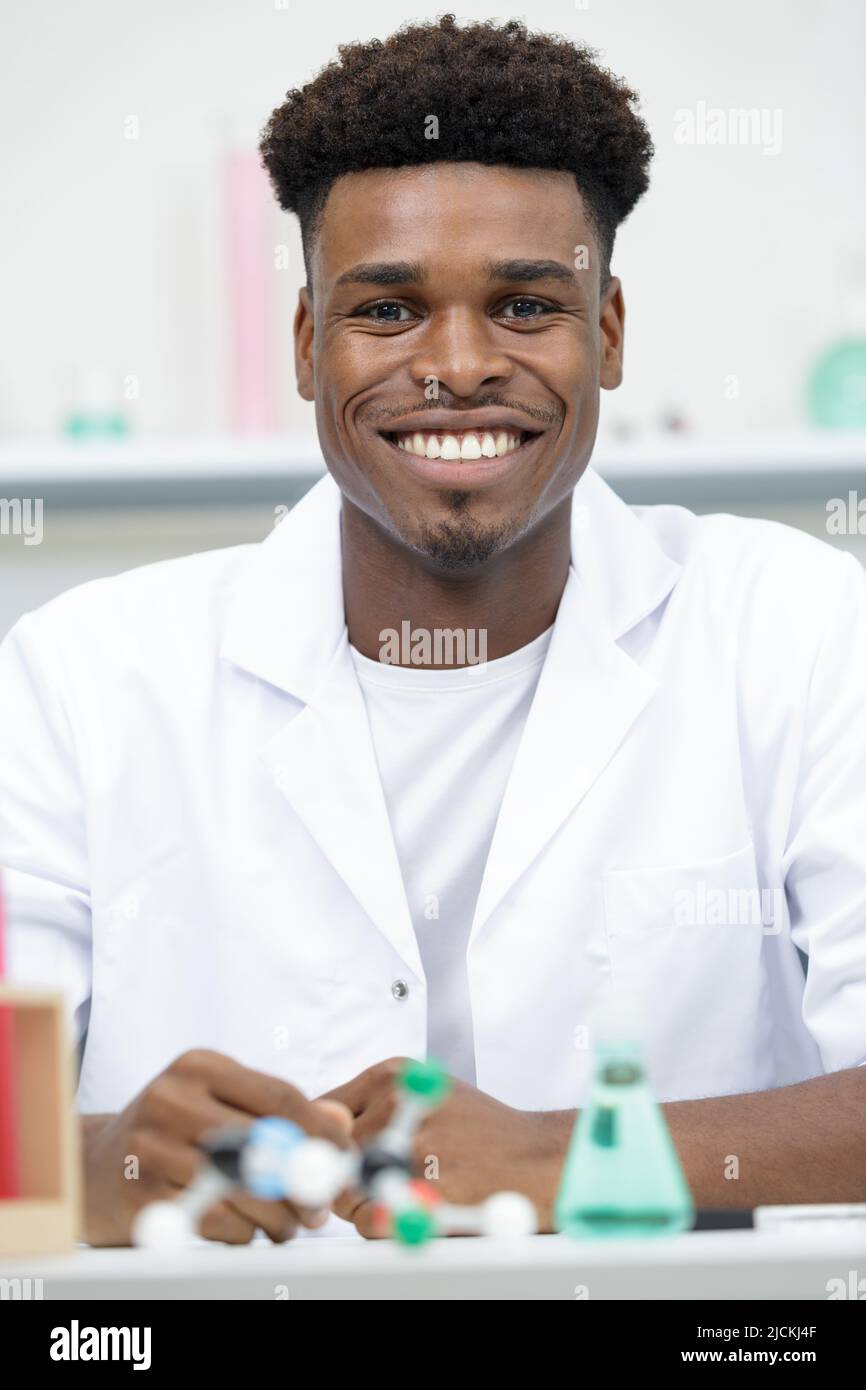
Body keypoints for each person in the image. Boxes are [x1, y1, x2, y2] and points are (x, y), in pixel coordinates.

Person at [2, 16, 865, 1245]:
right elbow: (12, 1109)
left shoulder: (798, 630)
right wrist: (98, 1160)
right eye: (388, 310)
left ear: (606, 335)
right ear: (308, 346)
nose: (456, 366)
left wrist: (551, 1153)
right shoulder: (83, 679)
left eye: (522, 305)